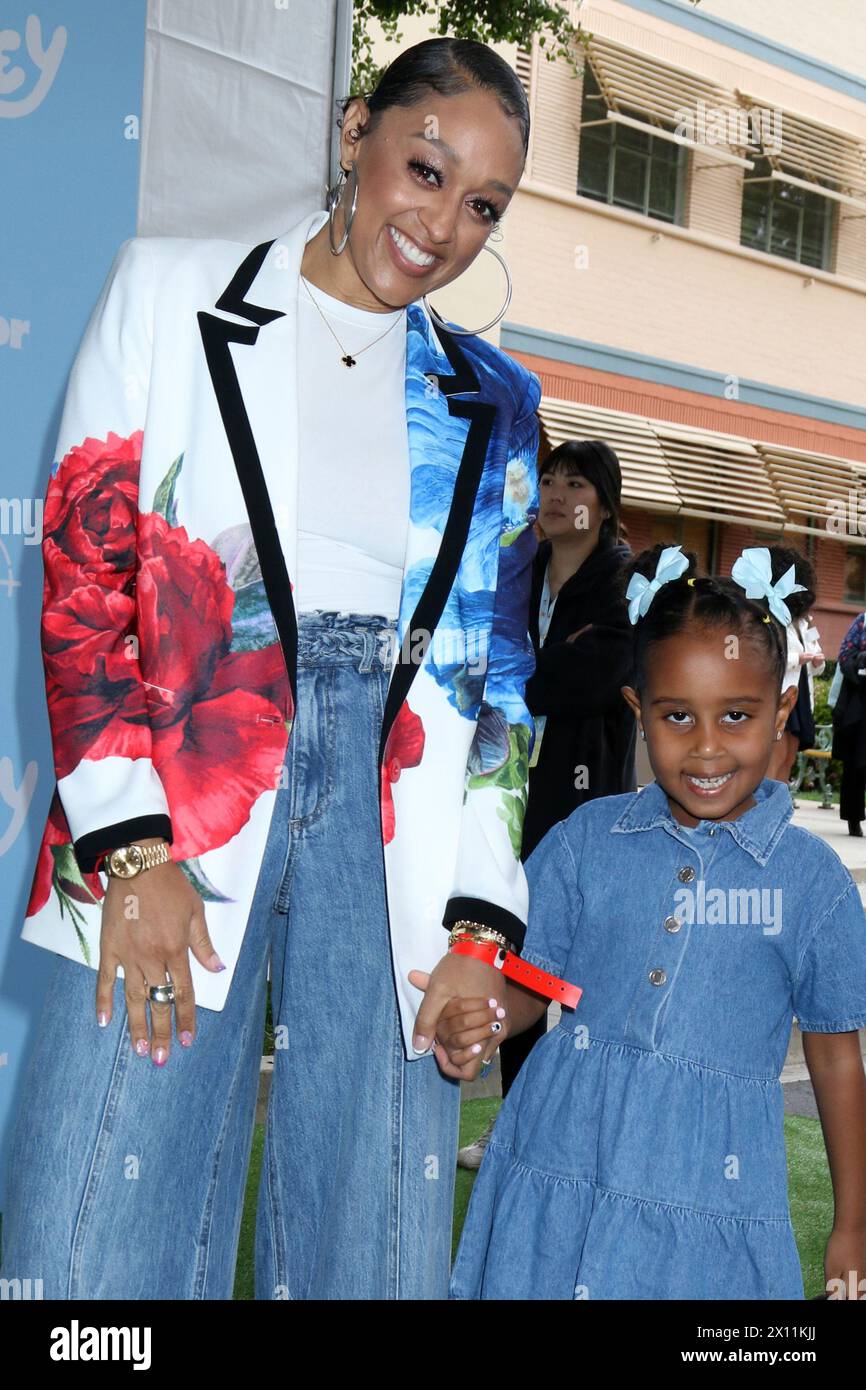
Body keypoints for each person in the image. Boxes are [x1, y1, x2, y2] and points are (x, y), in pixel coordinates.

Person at [0, 38, 543, 1300]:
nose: (441, 224)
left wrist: (474, 928)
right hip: (188, 775)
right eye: (423, 167)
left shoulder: (493, 399)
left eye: (481, 208)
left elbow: (496, 687)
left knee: (371, 1219)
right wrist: (130, 852)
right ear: (355, 131)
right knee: (96, 1213)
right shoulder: (169, 291)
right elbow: (86, 584)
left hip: (393, 800)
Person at [442, 542, 866, 1300]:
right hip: (561, 1153)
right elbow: (539, 984)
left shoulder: (814, 884)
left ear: (780, 712)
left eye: (737, 715)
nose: (706, 747)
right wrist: (484, 1020)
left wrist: (852, 1226)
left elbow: (836, 1058)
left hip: (714, 1191)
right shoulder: (583, 842)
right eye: (678, 716)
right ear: (639, 710)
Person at [457, 439, 635, 1169]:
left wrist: (514, 674)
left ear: (605, 503)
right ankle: (516, 1127)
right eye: (551, 480)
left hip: (583, 799)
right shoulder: (517, 574)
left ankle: (597, 1135)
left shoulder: (620, 586)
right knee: (519, 961)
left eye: (576, 483)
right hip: (508, 795)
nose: (557, 494)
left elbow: (583, 682)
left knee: (585, 976)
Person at [763, 548, 825, 785]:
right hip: (780, 692)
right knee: (775, 756)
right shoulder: (769, 616)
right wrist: (796, 659)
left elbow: (814, 659)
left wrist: (816, 661)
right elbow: (765, 656)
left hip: (799, 695)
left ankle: (779, 811)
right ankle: (764, 813)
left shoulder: (804, 622)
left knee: (789, 756)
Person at [833, 611, 866, 836]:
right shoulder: (863, 621)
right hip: (860, 701)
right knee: (856, 763)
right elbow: (844, 654)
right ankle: (853, 818)